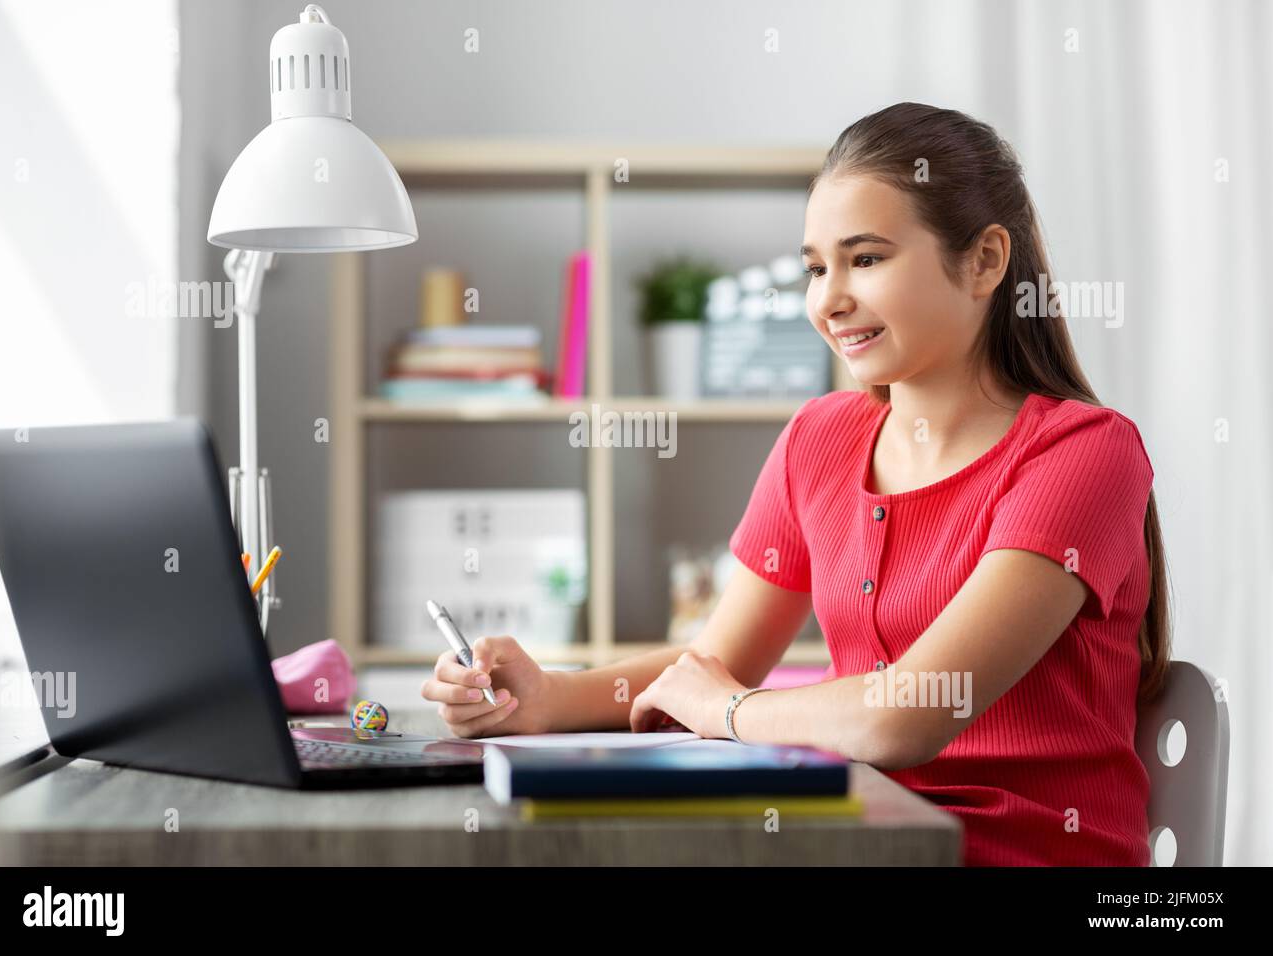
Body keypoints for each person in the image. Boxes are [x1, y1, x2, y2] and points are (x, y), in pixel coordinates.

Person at [420, 102, 1170, 866]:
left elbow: (904, 717)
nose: (829, 299)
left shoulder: (1083, 456)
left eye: (866, 259)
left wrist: (728, 711)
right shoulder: (821, 439)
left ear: (984, 261)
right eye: (816, 268)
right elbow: (712, 662)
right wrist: (546, 698)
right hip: (858, 843)